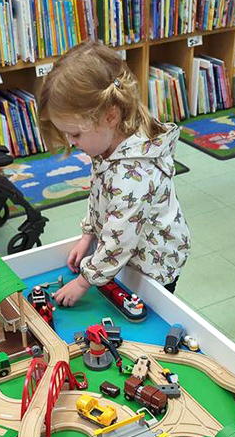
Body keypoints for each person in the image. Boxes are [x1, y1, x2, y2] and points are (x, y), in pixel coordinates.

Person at [38, 41, 190, 307]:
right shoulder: (108, 142)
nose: (71, 142)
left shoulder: (134, 176)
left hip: (153, 265)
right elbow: (100, 196)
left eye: (75, 134)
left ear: (110, 116)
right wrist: (88, 235)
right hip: (126, 254)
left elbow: (119, 239)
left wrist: (84, 281)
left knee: (150, 314)